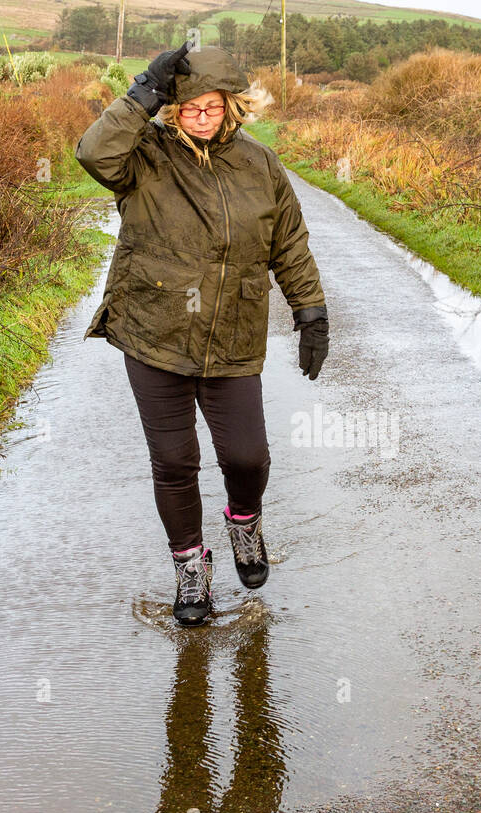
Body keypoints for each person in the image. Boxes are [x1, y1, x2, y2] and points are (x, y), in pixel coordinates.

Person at [75, 43, 329, 627]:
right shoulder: (143, 157)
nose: (200, 116)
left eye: (211, 106)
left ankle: (245, 522)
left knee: (247, 457)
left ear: (232, 107)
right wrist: (142, 90)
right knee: (173, 459)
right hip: (154, 331)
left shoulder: (261, 166)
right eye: (187, 106)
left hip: (234, 335)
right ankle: (191, 564)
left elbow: (289, 243)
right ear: (171, 107)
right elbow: (93, 152)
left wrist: (311, 311)